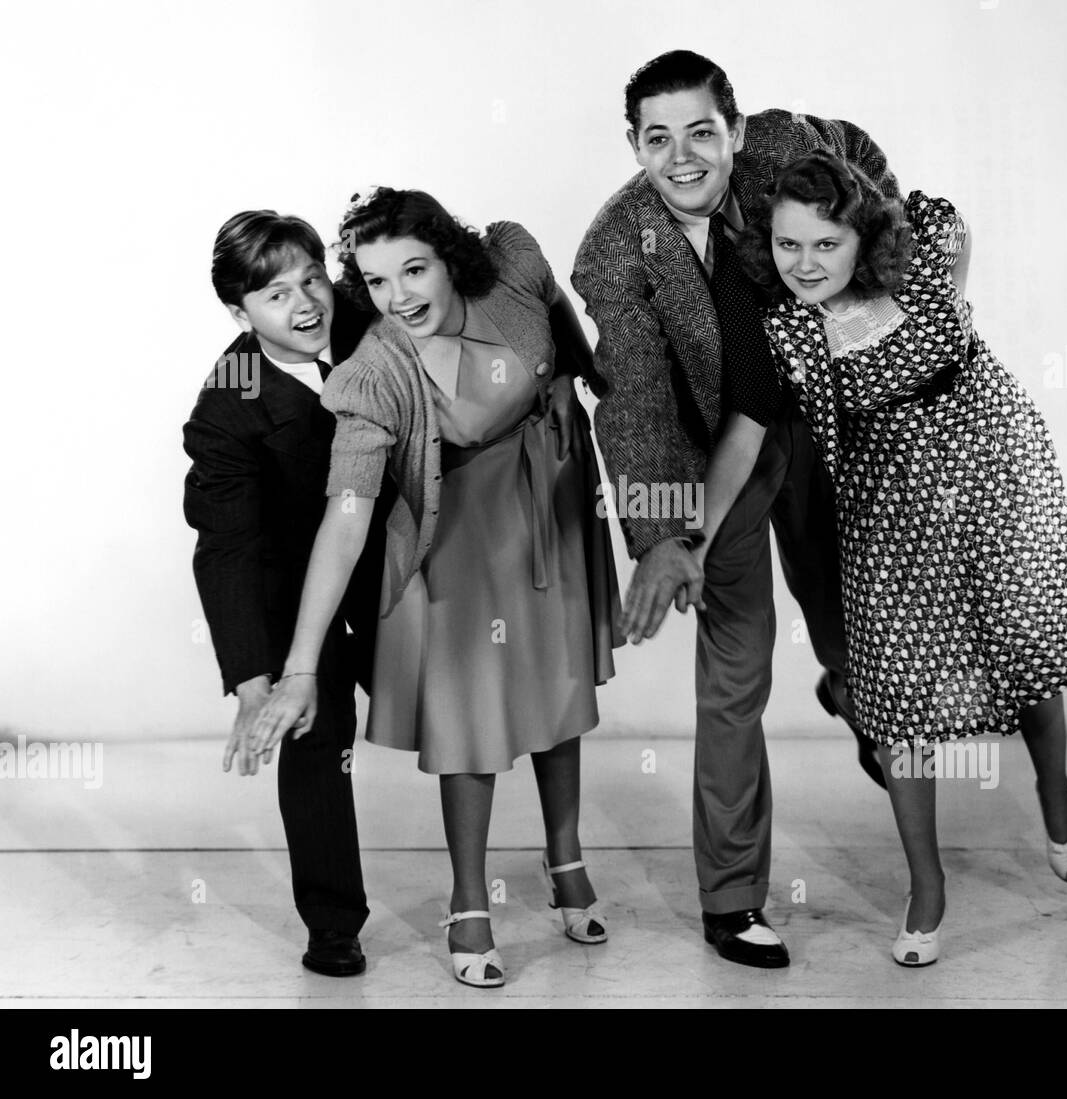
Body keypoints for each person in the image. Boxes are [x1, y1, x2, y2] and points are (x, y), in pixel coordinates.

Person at [572, 49, 897, 969]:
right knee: (735, 676)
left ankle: (857, 694)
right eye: (657, 138)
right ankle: (731, 900)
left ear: (738, 130)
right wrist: (665, 534)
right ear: (633, 144)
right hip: (722, 454)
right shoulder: (614, 247)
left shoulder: (788, 148)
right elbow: (632, 398)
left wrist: (885, 297)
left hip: (828, 426)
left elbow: (867, 165)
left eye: (701, 132)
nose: (683, 158)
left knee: (852, 626)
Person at [251, 188, 622, 989]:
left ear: (450, 258)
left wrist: (586, 384)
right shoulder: (376, 370)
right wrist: (302, 665)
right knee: (470, 724)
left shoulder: (512, 267)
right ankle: (467, 900)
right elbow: (345, 520)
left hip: (549, 509)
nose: (400, 297)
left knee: (557, 696)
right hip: (455, 544)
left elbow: (561, 324)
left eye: (414, 270)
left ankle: (567, 860)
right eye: (378, 282)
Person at [731, 149, 1067, 965]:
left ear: (860, 238)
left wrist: (928, 285)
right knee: (899, 689)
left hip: (993, 461)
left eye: (826, 244)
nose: (805, 264)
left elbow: (943, 214)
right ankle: (926, 885)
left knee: (1018, 639)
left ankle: (1055, 793)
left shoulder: (920, 252)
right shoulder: (785, 326)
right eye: (789, 246)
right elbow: (752, 422)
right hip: (888, 494)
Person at [183, 210, 393, 977]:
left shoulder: (373, 317)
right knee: (312, 731)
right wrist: (254, 682)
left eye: (312, 279)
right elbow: (228, 546)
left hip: (396, 559)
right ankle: (333, 922)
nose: (306, 303)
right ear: (241, 315)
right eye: (276, 294)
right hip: (292, 580)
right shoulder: (224, 405)